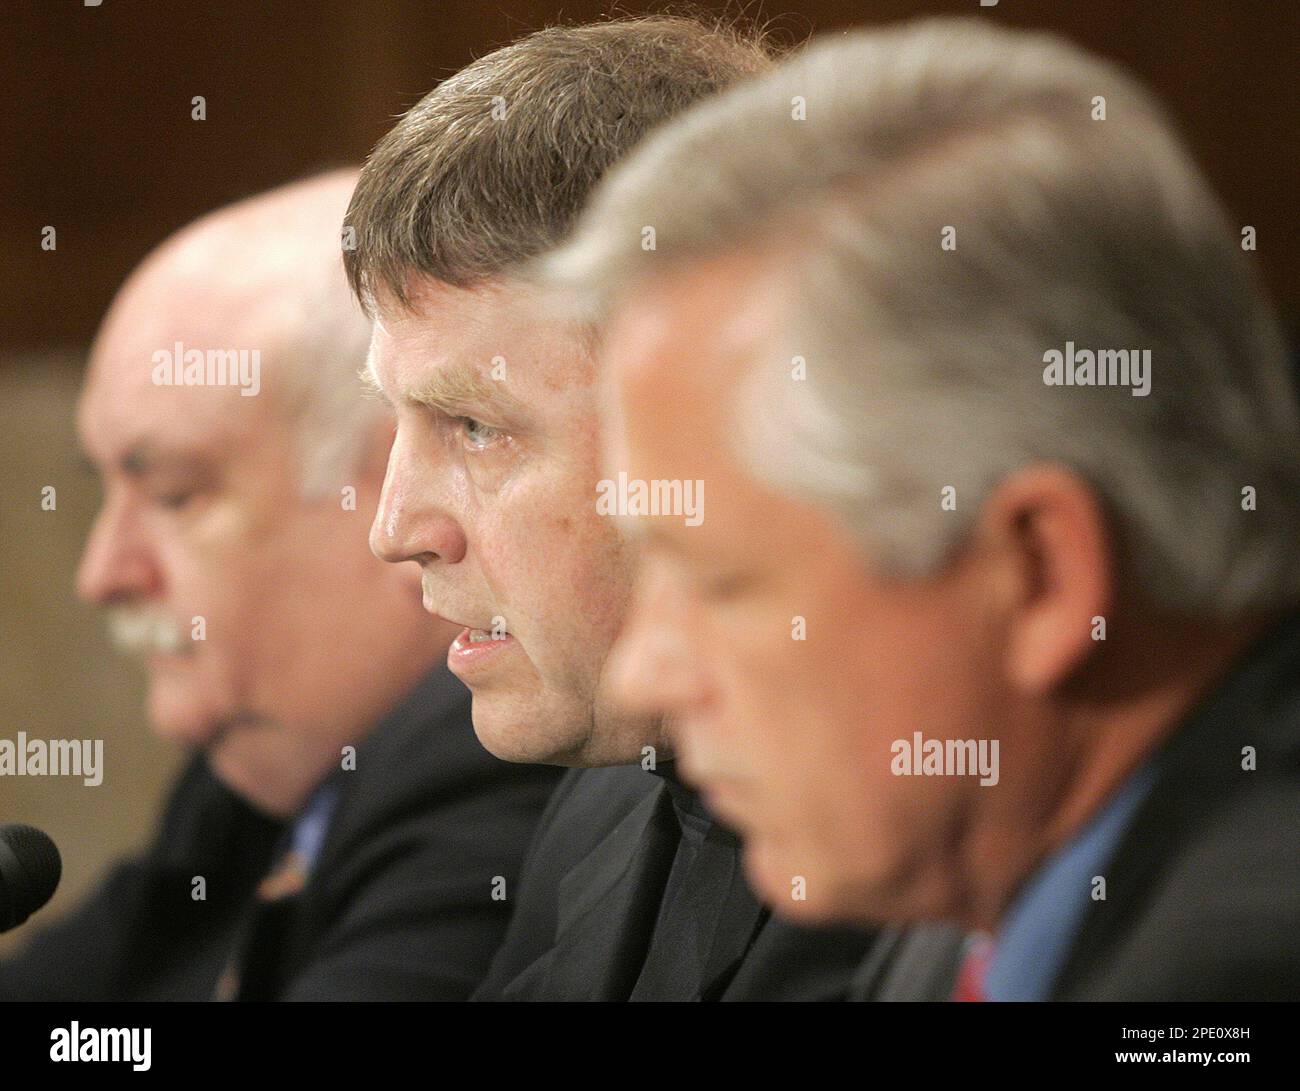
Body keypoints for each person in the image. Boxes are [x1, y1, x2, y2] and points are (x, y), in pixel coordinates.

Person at [551, 18, 1300, 1000]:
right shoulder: (969, 899)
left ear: (1040, 575)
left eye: (715, 581)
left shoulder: (1231, 976)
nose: (644, 669)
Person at [346, 16, 879, 1000]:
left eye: (472, 427)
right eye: (395, 420)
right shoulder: (602, 802)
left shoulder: (936, 880)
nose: (397, 528)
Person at [0, 170, 560, 1001]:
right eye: (103, 490)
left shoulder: (494, 758)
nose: (102, 574)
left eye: (173, 495)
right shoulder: (261, 770)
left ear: (387, 485)